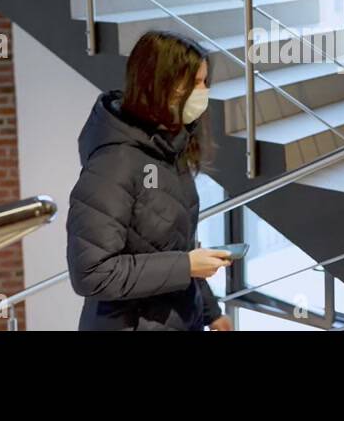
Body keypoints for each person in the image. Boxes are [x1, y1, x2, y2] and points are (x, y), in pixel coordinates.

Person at [66, 30, 234, 331]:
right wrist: (186, 266)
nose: (203, 91)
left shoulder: (170, 147)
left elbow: (173, 246)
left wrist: (210, 311)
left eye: (205, 82)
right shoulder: (114, 163)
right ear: (160, 84)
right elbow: (91, 273)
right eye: (194, 83)